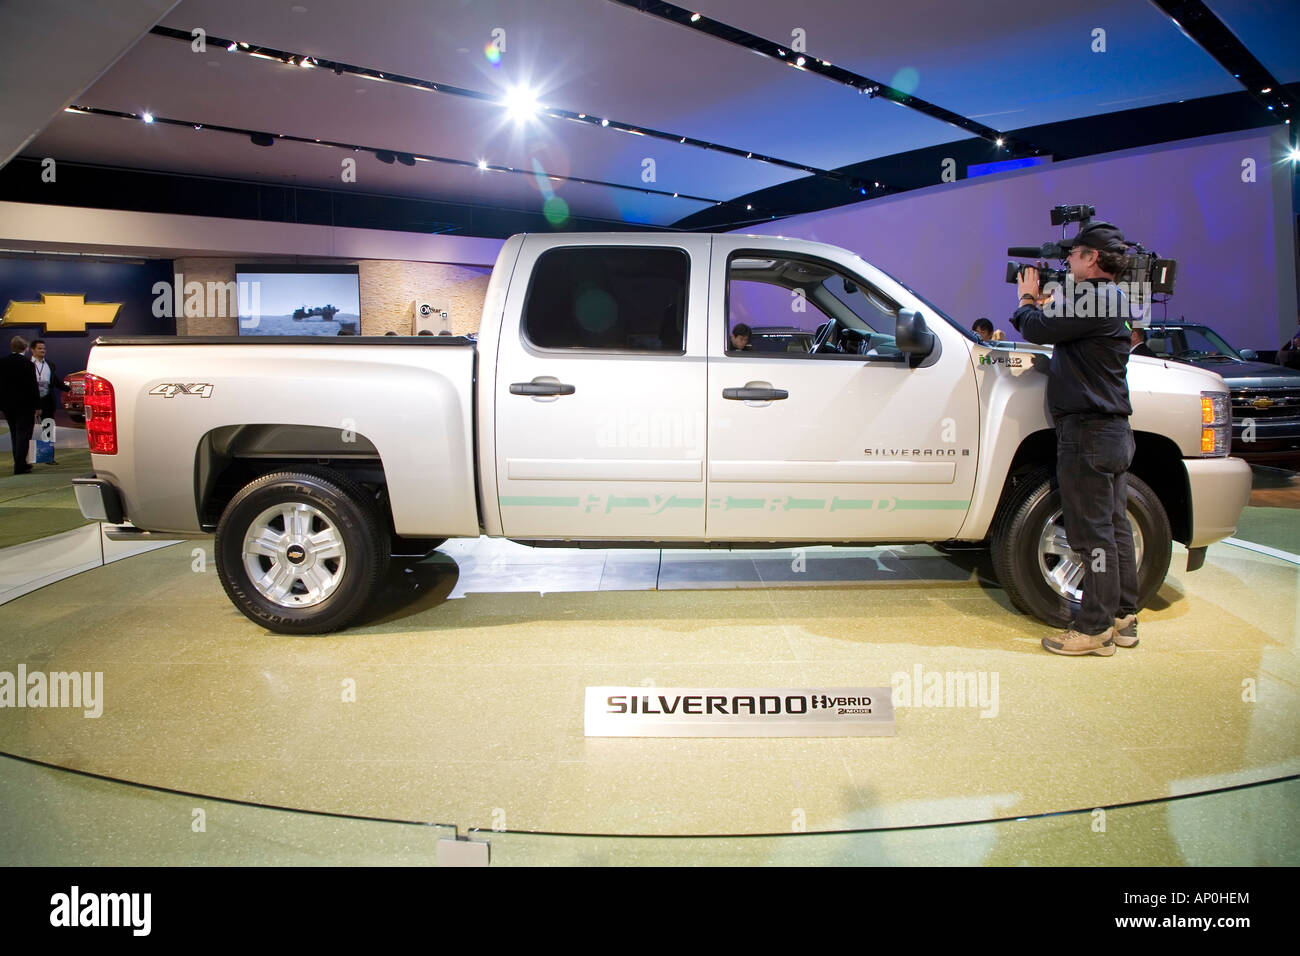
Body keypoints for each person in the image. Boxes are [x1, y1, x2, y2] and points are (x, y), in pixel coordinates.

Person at [1010, 221, 1139, 657]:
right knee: (1115, 528)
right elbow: (1064, 332)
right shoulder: (1113, 298)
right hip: (1112, 432)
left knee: (1091, 535)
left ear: (1093, 259)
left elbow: (1037, 329)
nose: (1067, 261)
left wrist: (1028, 297)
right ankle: (1123, 617)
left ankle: (1094, 628)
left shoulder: (1094, 297)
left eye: (1075, 254)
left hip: (1087, 431)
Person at [1, 336, 41, 476]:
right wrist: (37, 405)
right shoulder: (28, 364)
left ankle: (20, 462)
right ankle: (20, 465)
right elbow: (33, 387)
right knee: (23, 434)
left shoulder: (2, 363)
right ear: (25, 348)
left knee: (14, 433)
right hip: (25, 405)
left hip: (7, 406)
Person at [30, 339, 69, 463]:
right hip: (31, 401)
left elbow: (55, 381)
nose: (43, 351)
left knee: (48, 428)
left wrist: (68, 389)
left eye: (44, 349)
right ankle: (28, 457)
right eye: (39, 348)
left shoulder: (50, 365)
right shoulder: (27, 364)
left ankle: (47, 457)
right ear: (32, 350)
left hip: (47, 400)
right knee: (30, 430)